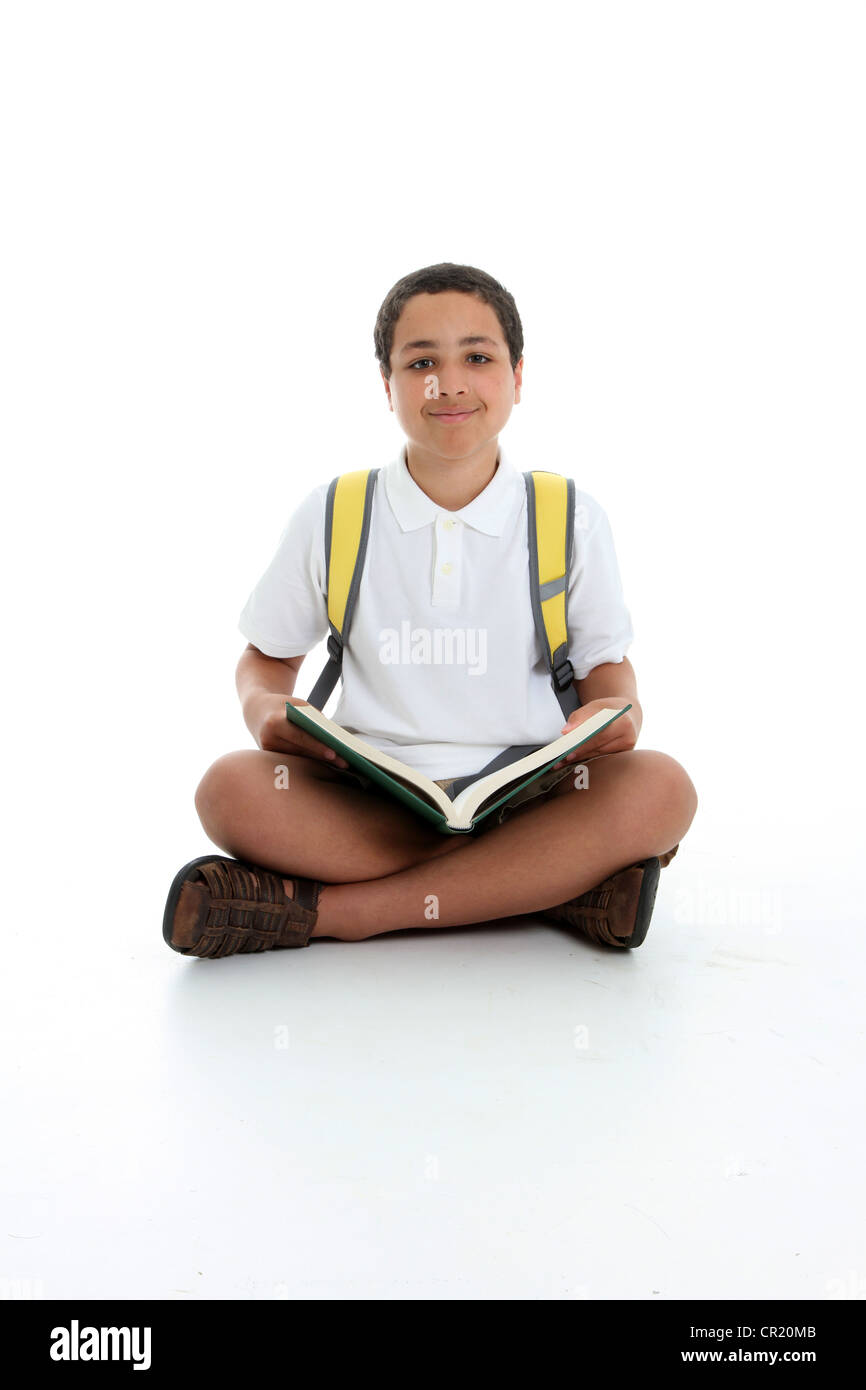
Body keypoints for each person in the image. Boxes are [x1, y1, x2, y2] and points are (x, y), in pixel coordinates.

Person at [163, 263, 697, 959]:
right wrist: (263, 708)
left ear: (518, 376)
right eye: (421, 362)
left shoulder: (569, 516)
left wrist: (614, 715)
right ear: (387, 385)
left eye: (478, 357)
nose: (449, 383)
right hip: (374, 802)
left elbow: (608, 670)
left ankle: (337, 914)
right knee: (229, 791)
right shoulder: (335, 512)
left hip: (527, 797)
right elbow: (267, 658)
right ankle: (554, 886)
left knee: (662, 789)